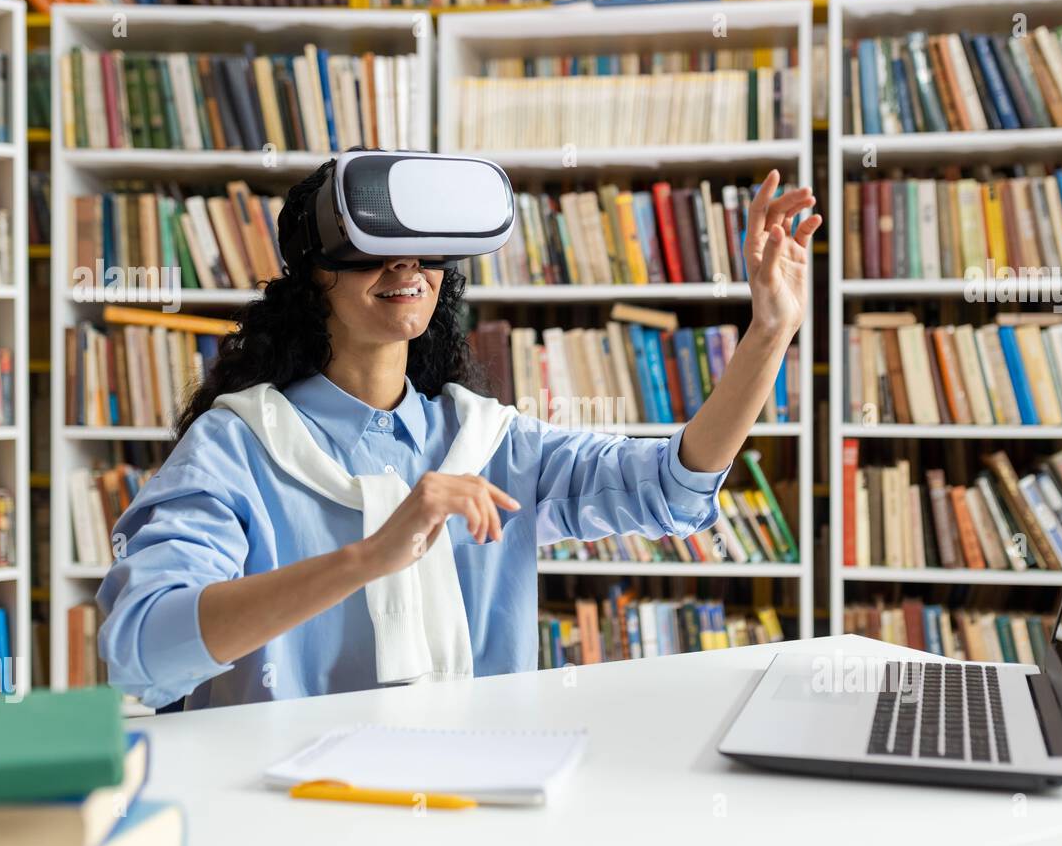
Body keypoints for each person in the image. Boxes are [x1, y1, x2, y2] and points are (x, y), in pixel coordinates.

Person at [97, 158, 819, 710]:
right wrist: (367, 557)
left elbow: (671, 489)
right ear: (314, 274)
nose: (405, 265)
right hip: (282, 814)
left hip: (474, 798)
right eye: (373, 246)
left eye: (423, 247)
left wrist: (770, 332)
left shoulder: (491, 442)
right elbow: (141, 650)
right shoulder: (237, 447)